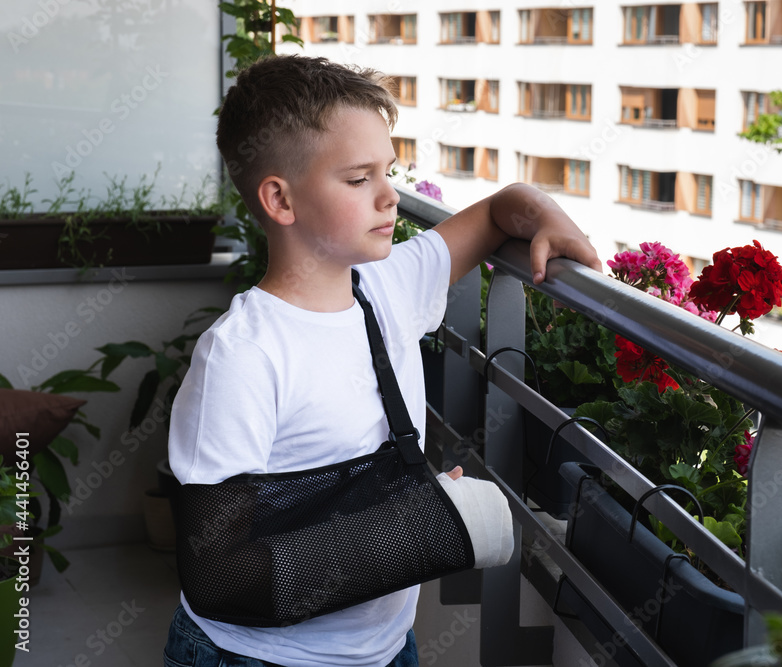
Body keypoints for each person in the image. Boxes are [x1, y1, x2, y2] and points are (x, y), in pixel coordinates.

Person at [162, 54, 601, 667]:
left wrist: (545, 214)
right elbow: (221, 575)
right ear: (280, 200)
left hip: (388, 649)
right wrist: (420, 528)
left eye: (389, 171)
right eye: (358, 177)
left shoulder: (389, 285)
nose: (390, 196)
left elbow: (504, 208)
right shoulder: (242, 357)